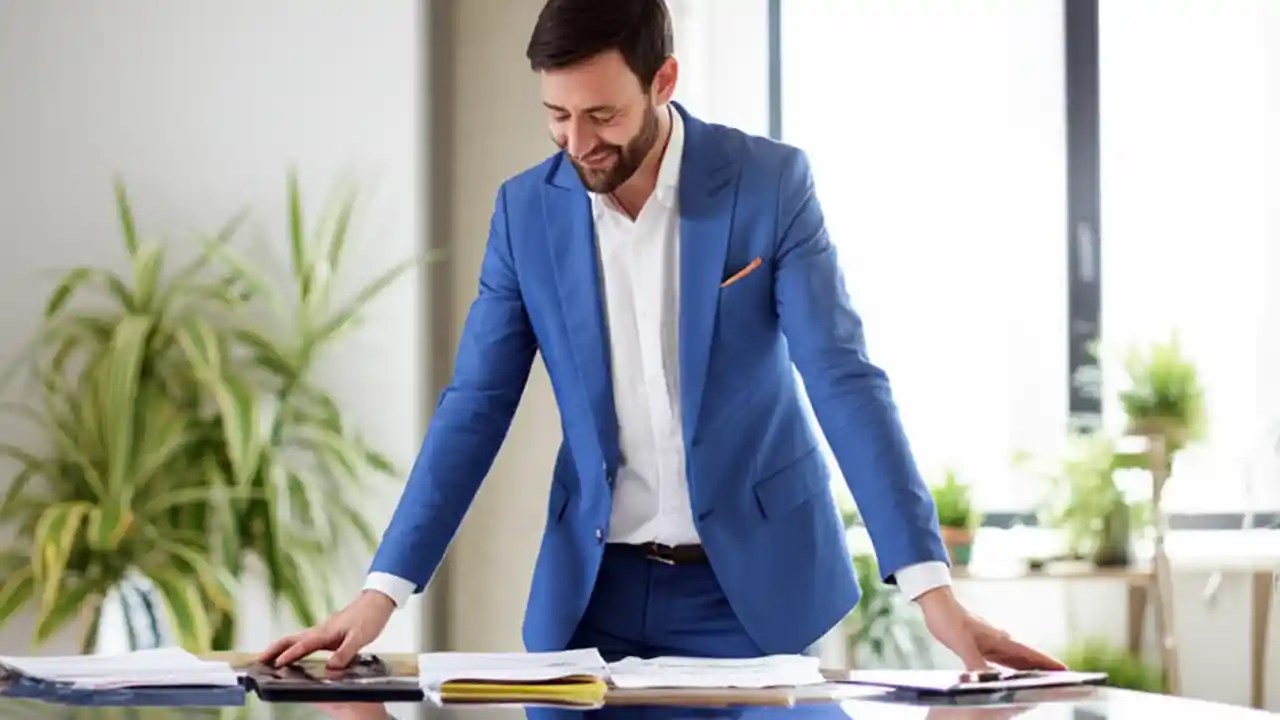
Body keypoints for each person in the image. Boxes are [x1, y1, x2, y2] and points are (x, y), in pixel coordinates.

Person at [261, 0, 1065, 672]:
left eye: (602, 115)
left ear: (664, 81)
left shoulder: (768, 184)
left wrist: (932, 590)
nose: (577, 145)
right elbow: (476, 404)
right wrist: (382, 591)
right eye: (557, 116)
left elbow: (842, 378)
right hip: (594, 592)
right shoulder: (527, 212)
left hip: (750, 593)